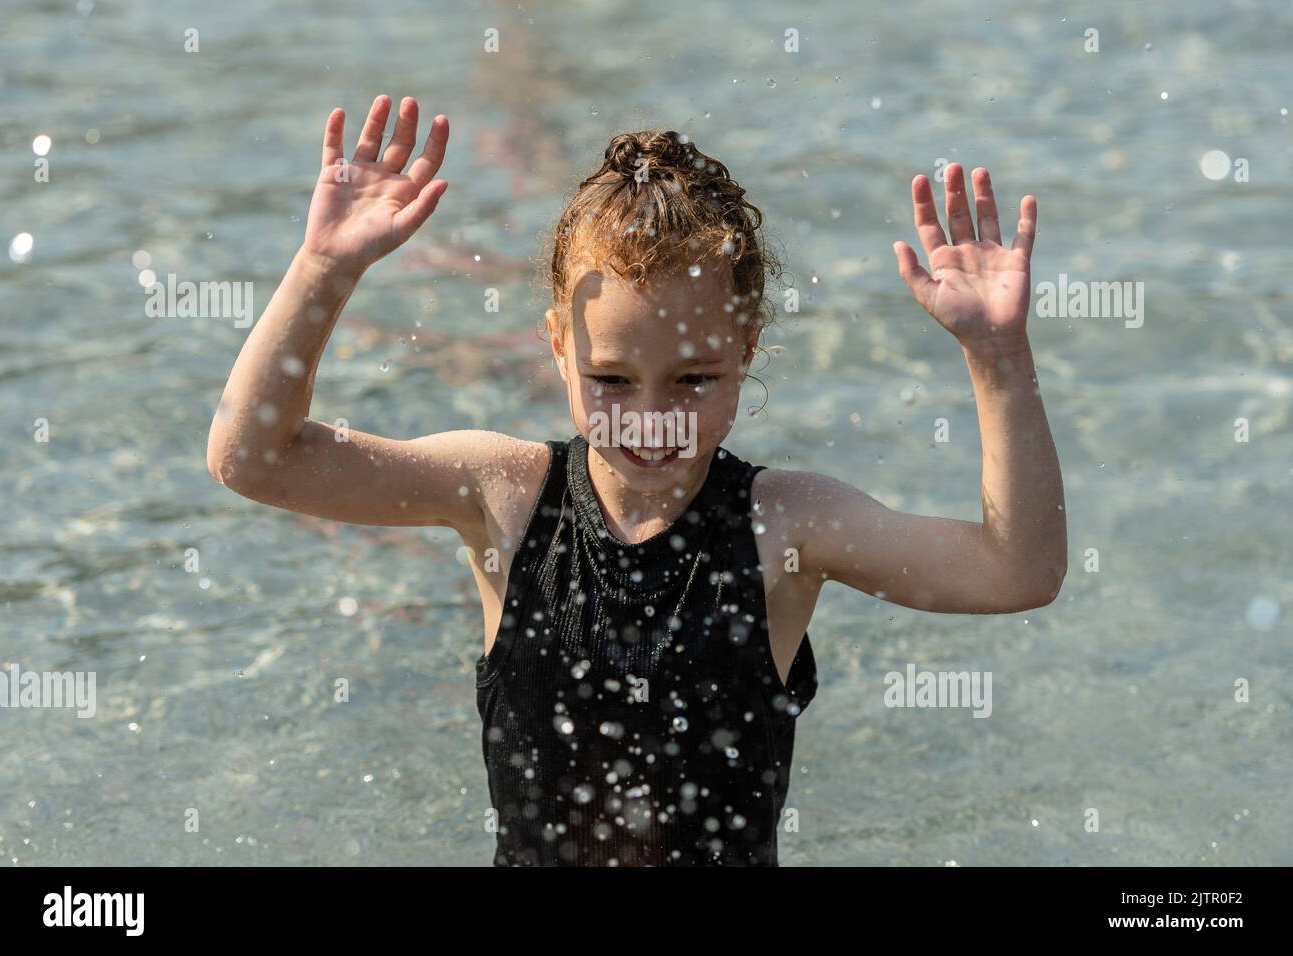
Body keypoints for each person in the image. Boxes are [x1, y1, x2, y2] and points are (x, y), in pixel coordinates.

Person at [206, 95, 1067, 866]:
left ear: (746, 352)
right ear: (556, 345)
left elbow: (1016, 570)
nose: (651, 416)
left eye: (694, 380)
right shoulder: (504, 495)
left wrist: (996, 357)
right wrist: (325, 268)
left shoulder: (786, 527)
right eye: (612, 380)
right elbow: (254, 458)